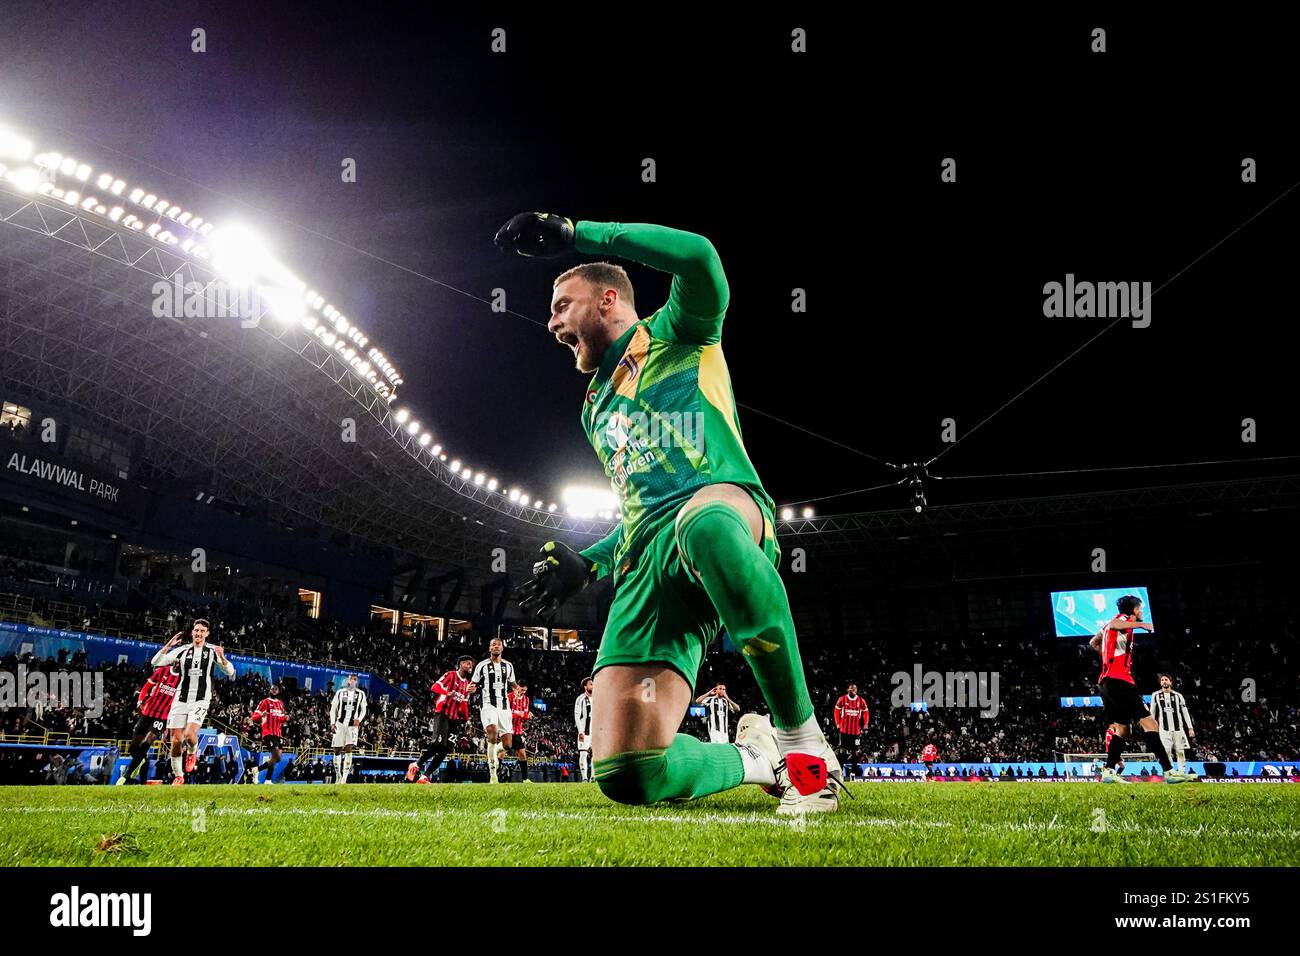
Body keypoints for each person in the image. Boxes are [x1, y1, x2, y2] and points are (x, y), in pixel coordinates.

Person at [504, 213, 840, 814]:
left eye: (562, 304)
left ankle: (803, 744)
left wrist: (579, 233)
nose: (551, 321)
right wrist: (589, 564)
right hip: (648, 557)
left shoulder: (680, 330)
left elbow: (700, 256)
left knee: (703, 524)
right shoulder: (593, 407)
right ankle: (756, 759)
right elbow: (637, 509)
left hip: (723, 512)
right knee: (628, 773)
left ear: (608, 299)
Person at [1089, 596, 1183, 783]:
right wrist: (1142, 625)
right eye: (1140, 609)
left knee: (1123, 729)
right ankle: (1169, 772)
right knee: (1150, 724)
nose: (1141, 612)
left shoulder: (1106, 629)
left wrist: (1106, 655)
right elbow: (1115, 623)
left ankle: (1108, 771)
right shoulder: (1122, 620)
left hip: (1105, 683)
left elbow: (1093, 642)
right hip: (1119, 680)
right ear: (1133, 610)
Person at [150, 620, 235, 785]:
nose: (199, 633)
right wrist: (169, 645)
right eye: (196, 630)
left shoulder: (212, 651)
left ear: (207, 633)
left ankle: (192, 751)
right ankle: (178, 776)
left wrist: (223, 657)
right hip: (180, 698)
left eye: (202, 631)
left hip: (201, 699)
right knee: (175, 740)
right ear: (192, 632)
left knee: (189, 735)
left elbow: (230, 671)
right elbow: (156, 662)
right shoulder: (182, 650)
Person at [118, 659, 180, 784]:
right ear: (174, 661)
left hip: (162, 717)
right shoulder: (161, 671)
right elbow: (147, 687)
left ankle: (126, 774)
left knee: (147, 743)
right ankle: (140, 761)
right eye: (177, 661)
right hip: (147, 713)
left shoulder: (183, 680)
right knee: (134, 747)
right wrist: (140, 701)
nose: (179, 664)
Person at [471, 639, 516, 784]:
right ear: (489, 648)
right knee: (492, 731)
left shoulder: (508, 666)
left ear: (502, 648)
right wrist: (471, 689)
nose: (496, 647)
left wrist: (517, 689)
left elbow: (513, 683)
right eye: (493, 645)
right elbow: (473, 684)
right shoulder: (482, 666)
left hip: (504, 707)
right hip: (488, 705)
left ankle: (493, 752)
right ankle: (493, 774)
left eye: (498, 645)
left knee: (508, 745)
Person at [1150, 673, 1198, 780]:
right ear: (1160, 683)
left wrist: (1190, 728)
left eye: (1166, 679)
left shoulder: (1178, 696)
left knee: (1180, 751)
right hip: (1163, 729)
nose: (1164, 681)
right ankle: (1169, 772)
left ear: (1171, 682)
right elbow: (1152, 712)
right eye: (1162, 680)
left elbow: (1185, 712)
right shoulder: (1156, 695)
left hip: (1178, 728)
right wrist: (1152, 727)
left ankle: (1181, 771)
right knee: (1166, 751)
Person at [330, 674, 367, 784]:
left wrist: (359, 719)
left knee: (348, 749)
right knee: (336, 750)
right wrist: (332, 723)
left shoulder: (361, 694)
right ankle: (338, 775)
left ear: (357, 682)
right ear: (347, 681)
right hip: (340, 724)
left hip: (352, 726)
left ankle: (344, 779)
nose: (352, 681)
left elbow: (363, 709)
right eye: (351, 678)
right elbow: (333, 709)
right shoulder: (340, 692)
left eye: (355, 679)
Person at [251, 685, 290, 784]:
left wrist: (285, 718)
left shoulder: (280, 704)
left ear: (278, 692)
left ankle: (260, 773)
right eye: (273, 689)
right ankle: (266, 778)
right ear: (270, 690)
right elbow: (254, 716)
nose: (274, 691)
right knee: (276, 754)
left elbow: (280, 718)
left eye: (276, 689)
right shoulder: (264, 702)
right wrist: (261, 715)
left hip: (278, 733)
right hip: (268, 732)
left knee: (277, 758)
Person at [574, 676, 594, 782]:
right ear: (585, 686)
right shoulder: (580, 699)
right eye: (591, 684)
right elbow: (577, 716)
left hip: (595, 731)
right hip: (584, 732)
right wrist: (580, 731)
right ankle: (585, 778)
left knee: (595, 754)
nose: (593, 685)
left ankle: (593, 777)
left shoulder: (598, 698)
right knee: (583, 754)